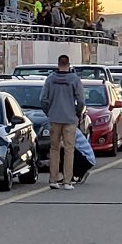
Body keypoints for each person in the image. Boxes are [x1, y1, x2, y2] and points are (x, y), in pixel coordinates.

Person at [40, 54, 85, 190]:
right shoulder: (74, 79)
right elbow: (81, 101)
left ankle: (53, 179)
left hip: (54, 118)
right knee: (69, 149)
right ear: (69, 64)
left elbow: (43, 99)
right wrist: (76, 113)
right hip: (69, 118)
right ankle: (67, 181)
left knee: (54, 149)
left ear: (58, 64)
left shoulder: (50, 79)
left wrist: (49, 112)